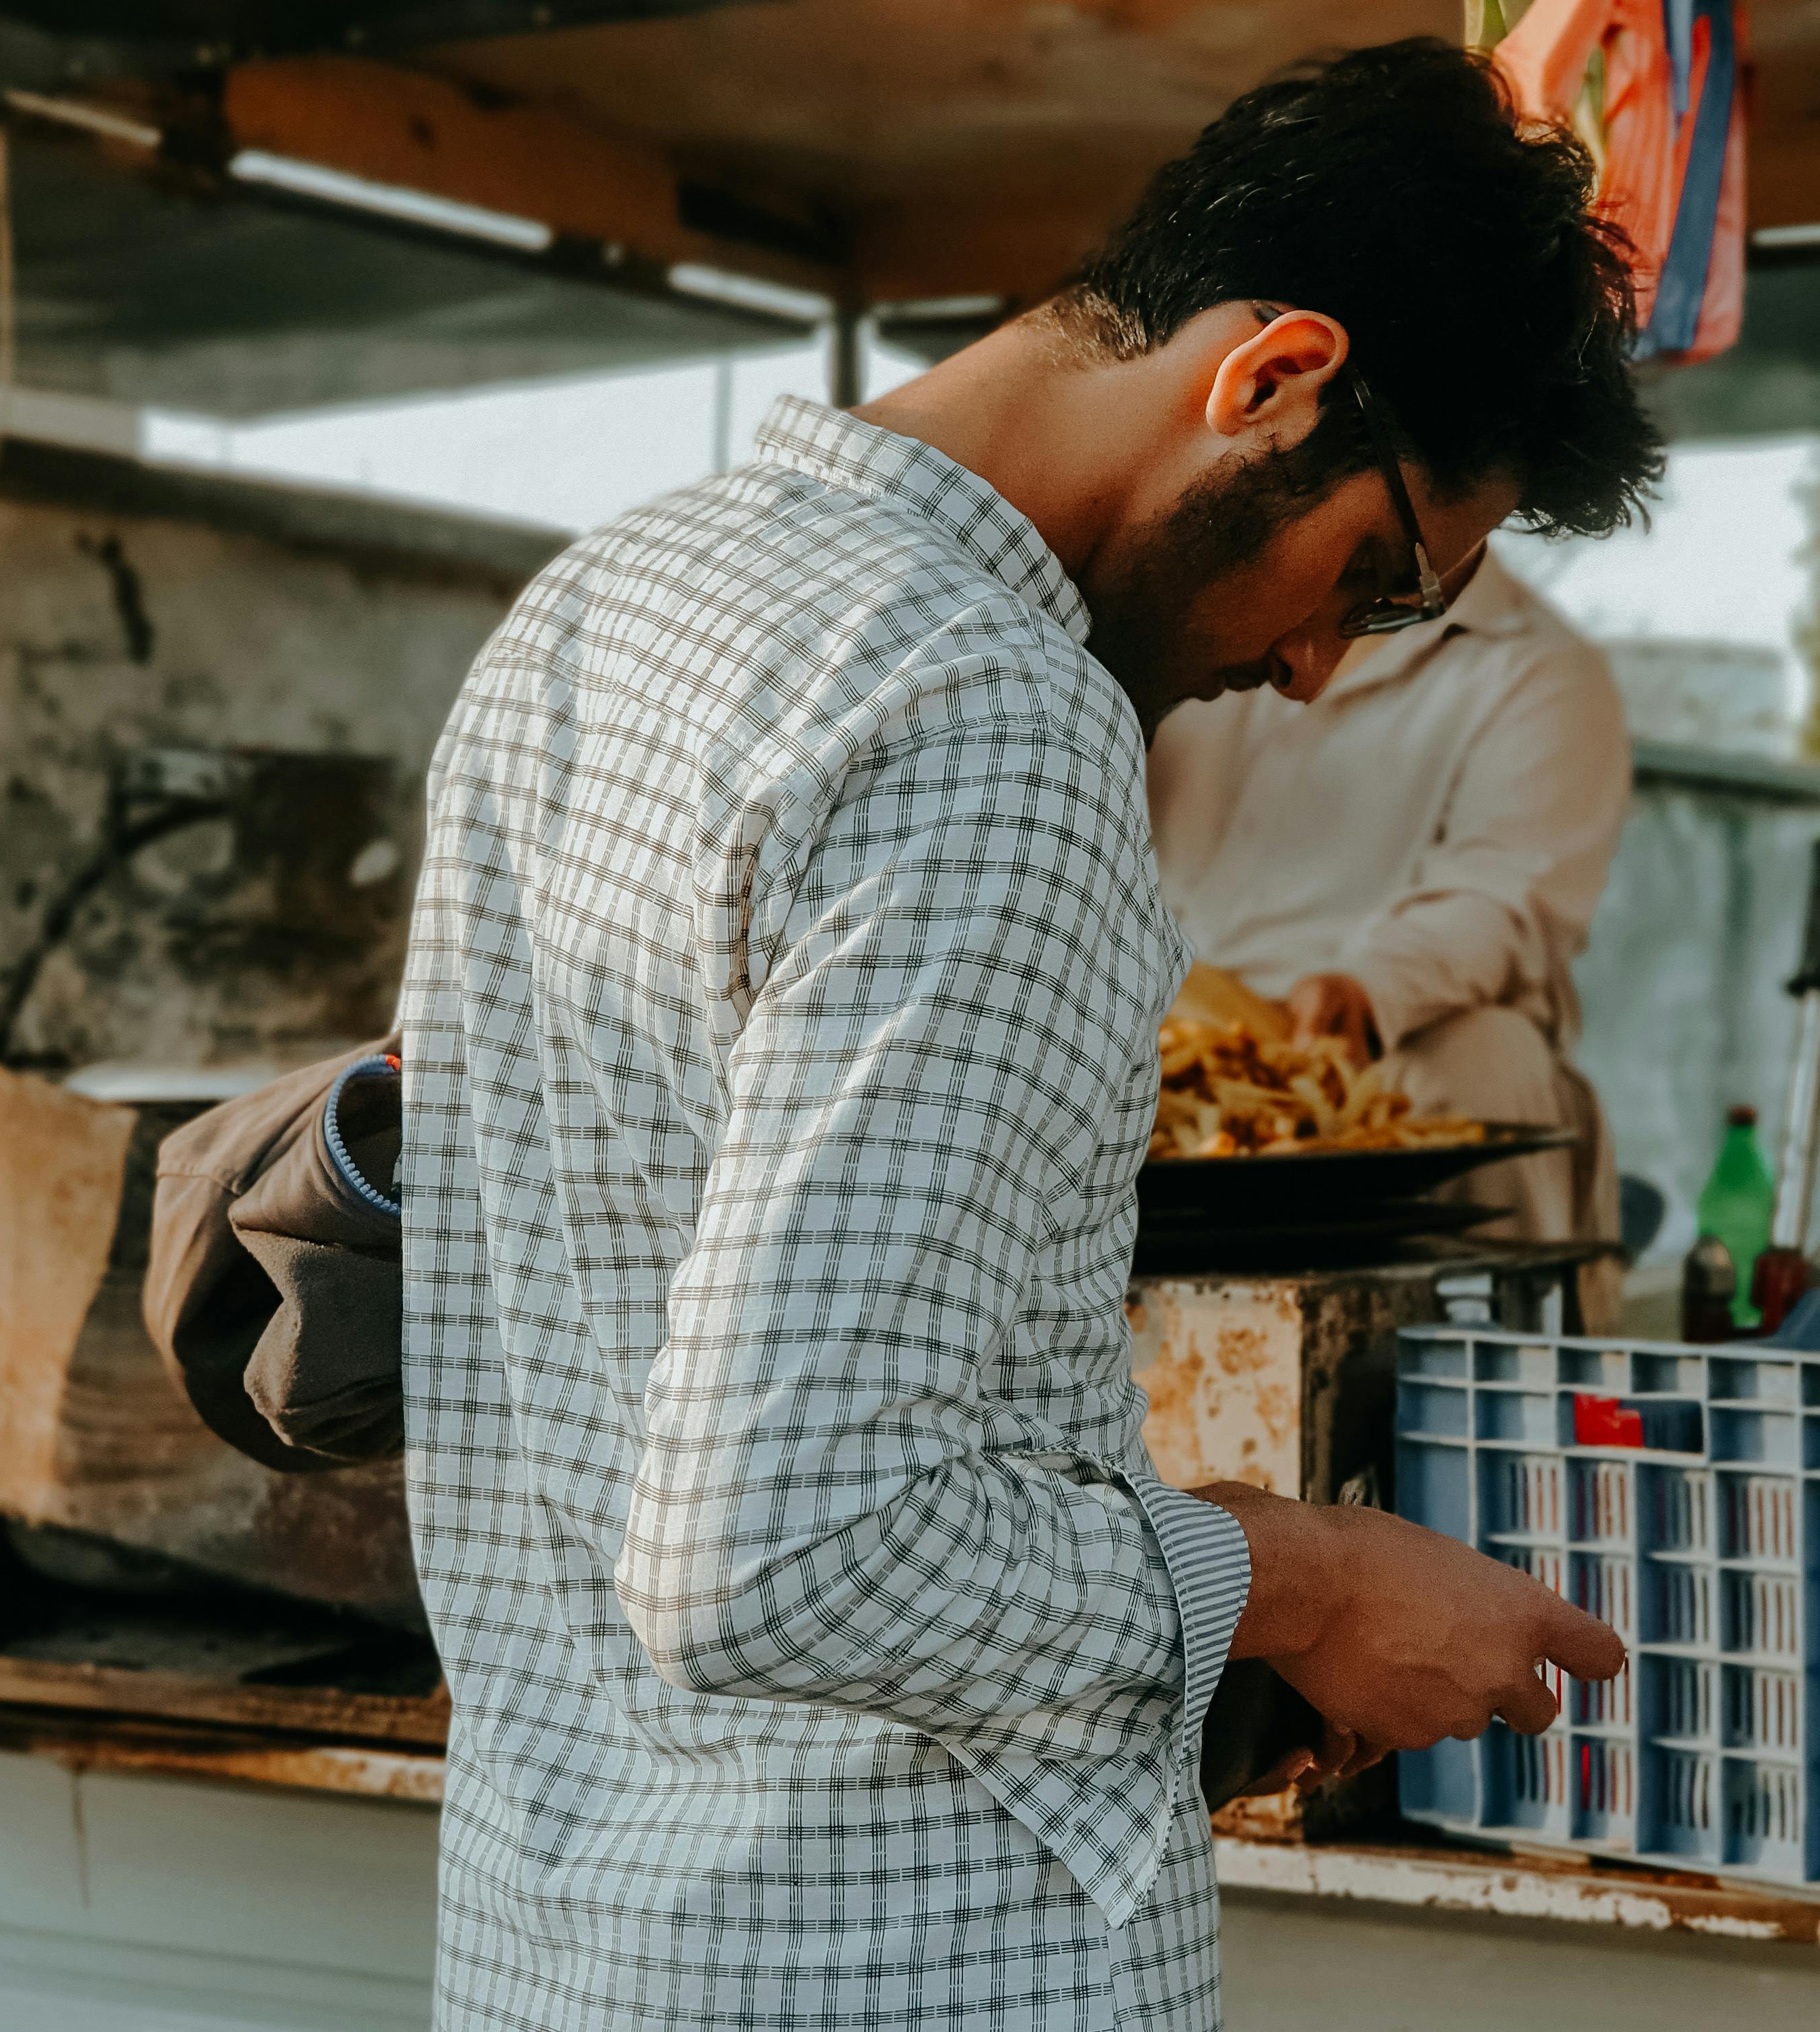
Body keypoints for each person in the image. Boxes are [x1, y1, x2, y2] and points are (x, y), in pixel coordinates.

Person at [401, 38, 1660, 2032]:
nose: (1320, 662)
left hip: (561, 1939)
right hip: (897, 1966)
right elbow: (782, 1553)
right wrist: (1308, 1578)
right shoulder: (993, 722)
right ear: (1268, 381)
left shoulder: (592, 608)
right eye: (1375, 578)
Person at [1148, 544, 1630, 1247]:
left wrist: (1367, 994)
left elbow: (1500, 895)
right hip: (1163, 1038)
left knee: (1483, 1058)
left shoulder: (1537, 669)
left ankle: (1480, 1341)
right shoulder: (1204, 614)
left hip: (1365, 1049)